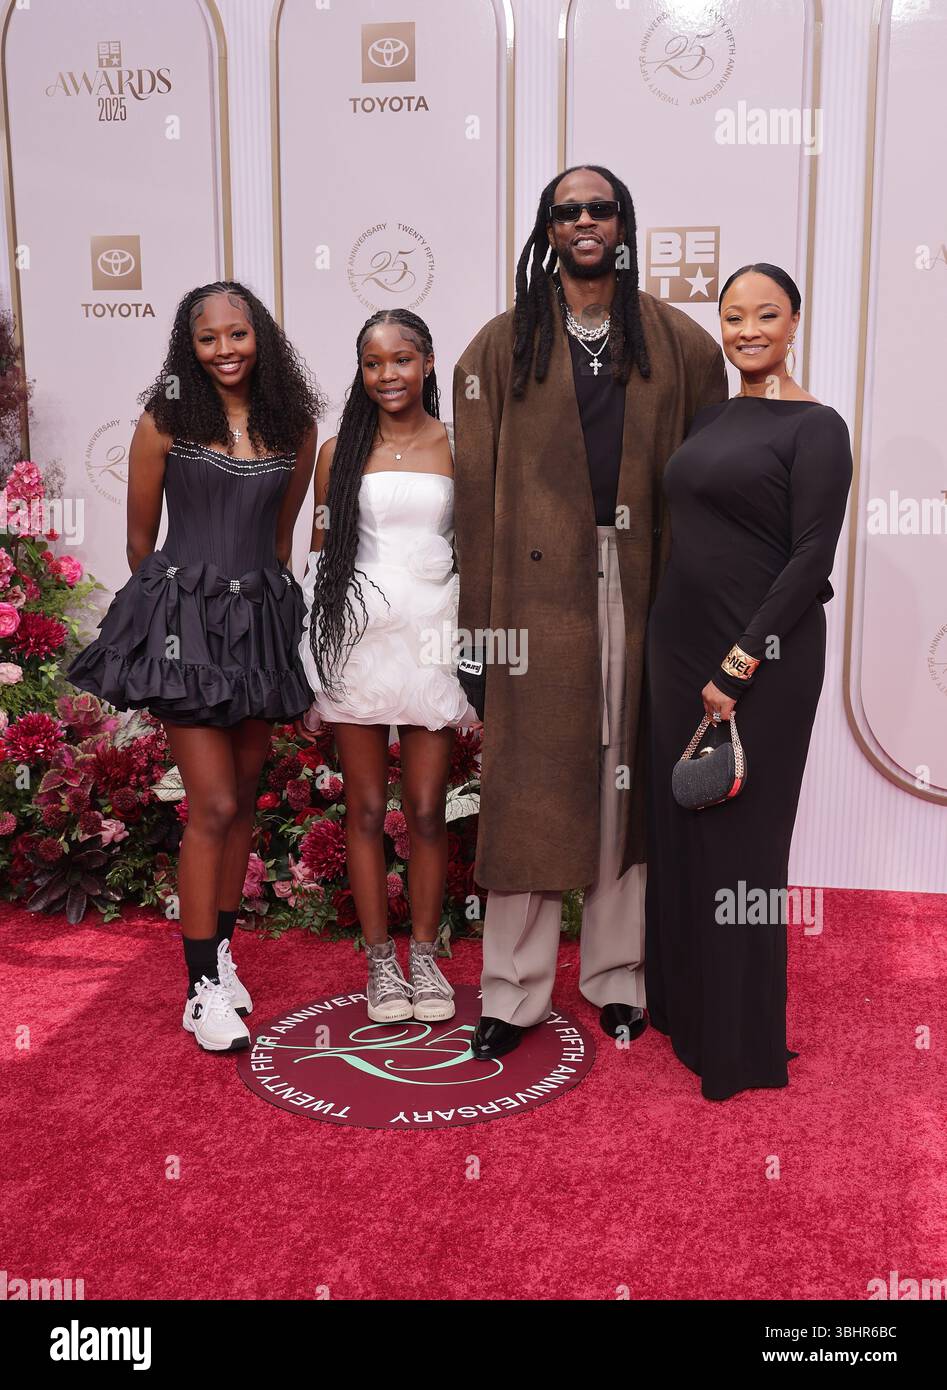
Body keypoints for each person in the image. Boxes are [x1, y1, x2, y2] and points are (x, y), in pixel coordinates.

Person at [451, 164, 728, 1060]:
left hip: (648, 585)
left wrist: (705, 618)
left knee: (627, 788)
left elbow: (710, 494)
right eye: (565, 211)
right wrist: (477, 632)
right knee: (529, 789)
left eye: (598, 209)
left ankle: (617, 979)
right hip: (535, 600)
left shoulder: (680, 344)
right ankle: (513, 992)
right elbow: (477, 498)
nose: (583, 222)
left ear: (622, 223)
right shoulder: (497, 348)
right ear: (547, 227)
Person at [67, 281, 323, 1053]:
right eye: (208, 338)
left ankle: (222, 949)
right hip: (185, 633)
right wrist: (182, 617)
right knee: (210, 804)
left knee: (243, 798)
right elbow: (141, 543)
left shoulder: (296, 426)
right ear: (189, 346)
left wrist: (255, 608)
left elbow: (282, 542)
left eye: (237, 335)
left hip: (258, 627)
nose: (225, 350)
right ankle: (198, 988)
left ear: (260, 338)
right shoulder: (166, 421)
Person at [645, 263, 853, 1100]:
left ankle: (739, 1044)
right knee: (683, 827)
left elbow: (811, 558)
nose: (746, 331)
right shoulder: (712, 416)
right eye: (732, 317)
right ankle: (690, 1014)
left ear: (794, 321)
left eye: (765, 315)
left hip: (758, 656)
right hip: (676, 649)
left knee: (743, 846)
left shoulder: (818, 427)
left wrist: (740, 661)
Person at [296, 309, 480, 1026]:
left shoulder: (458, 446)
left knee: (428, 811)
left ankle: (426, 957)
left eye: (401, 360)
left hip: (434, 637)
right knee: (367, 811)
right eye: (373, 363)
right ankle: (380, 964)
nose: (387, 375)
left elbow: (476, 551)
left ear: (428, 363)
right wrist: (312, 649)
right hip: (359, 642)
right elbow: (319, 560)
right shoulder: (339, 451)